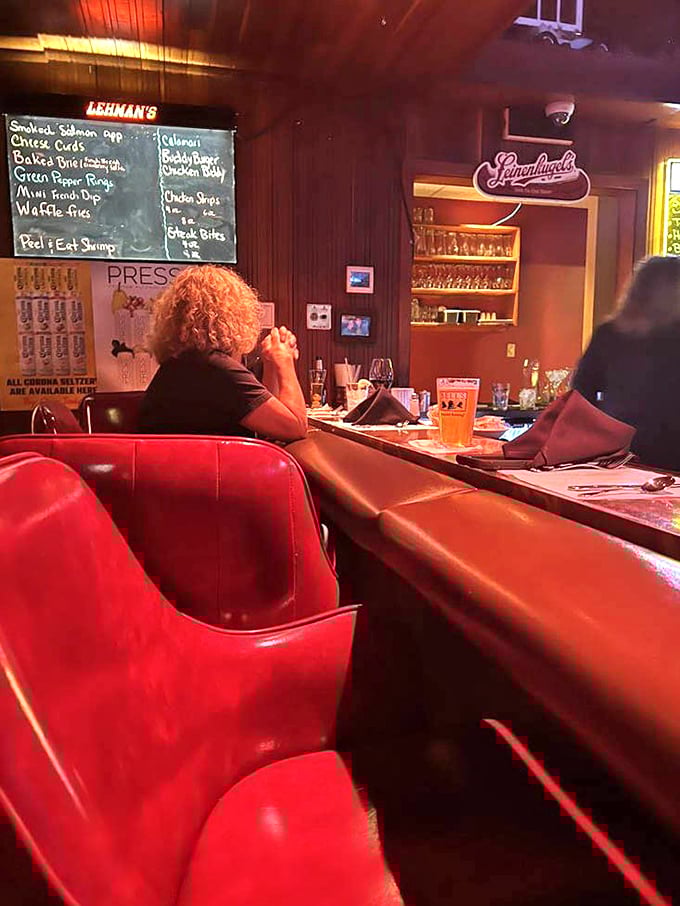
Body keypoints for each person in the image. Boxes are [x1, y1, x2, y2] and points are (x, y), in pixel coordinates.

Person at [138, 265, 307, 441]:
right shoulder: (216, 369)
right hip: (204, 460)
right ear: (234, 315)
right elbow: (295, 428)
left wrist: (270, 363)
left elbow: (268, 426)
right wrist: (284, 359)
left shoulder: (184, 362)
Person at [572, 255, 680, 471]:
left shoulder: (609, 333)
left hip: (619, 449)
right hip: (672, 451)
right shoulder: (674, 336)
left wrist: (598, 433)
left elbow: (580, 393)